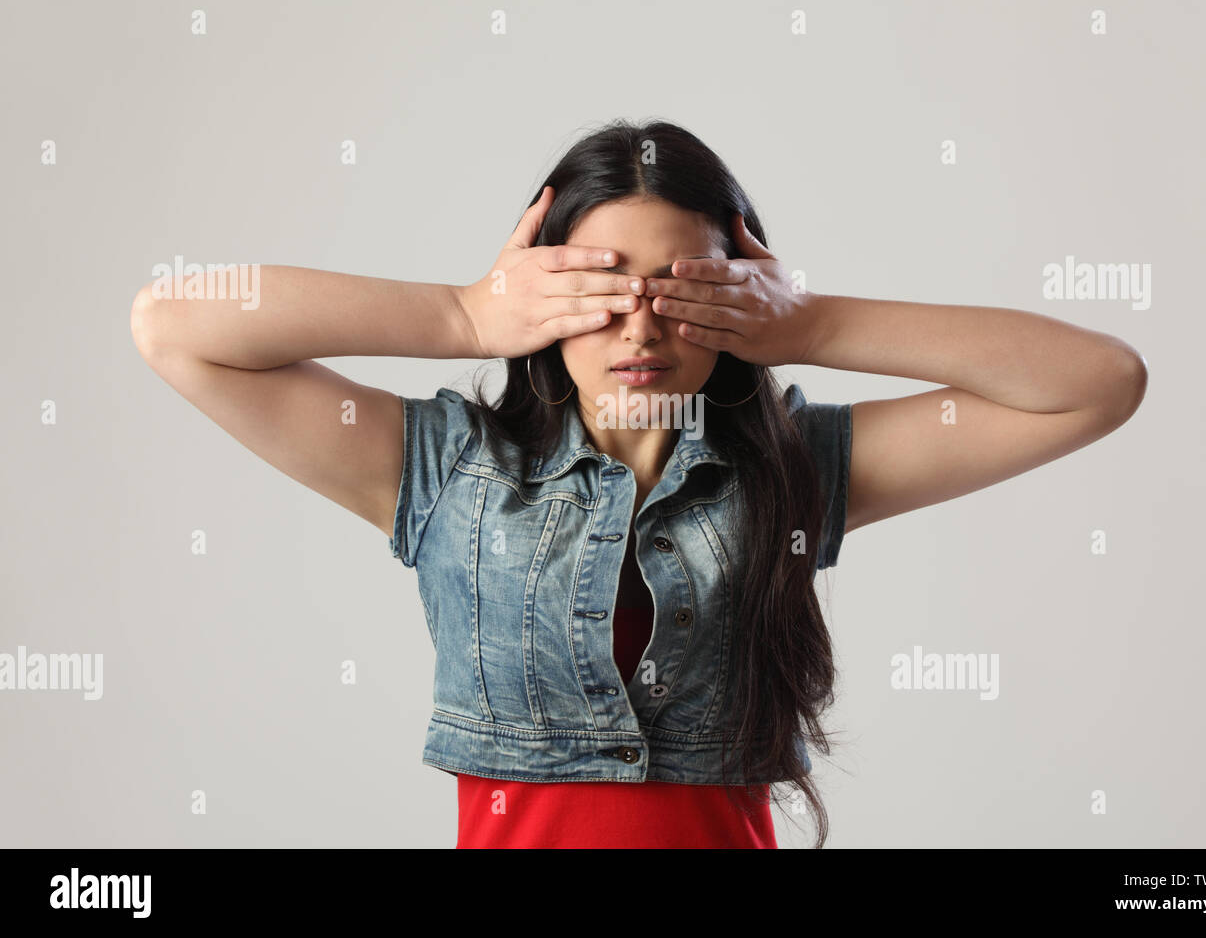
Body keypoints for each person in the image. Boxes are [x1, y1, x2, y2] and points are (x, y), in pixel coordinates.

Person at [129, 118, 1147, 848]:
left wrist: (816, 322)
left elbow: (1098, 382)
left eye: (687, 294)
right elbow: (172, 326)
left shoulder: (797, 469)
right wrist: (459, 314)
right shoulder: (441, 471)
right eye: (600, 290)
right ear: (543, 296)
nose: (643, 330)